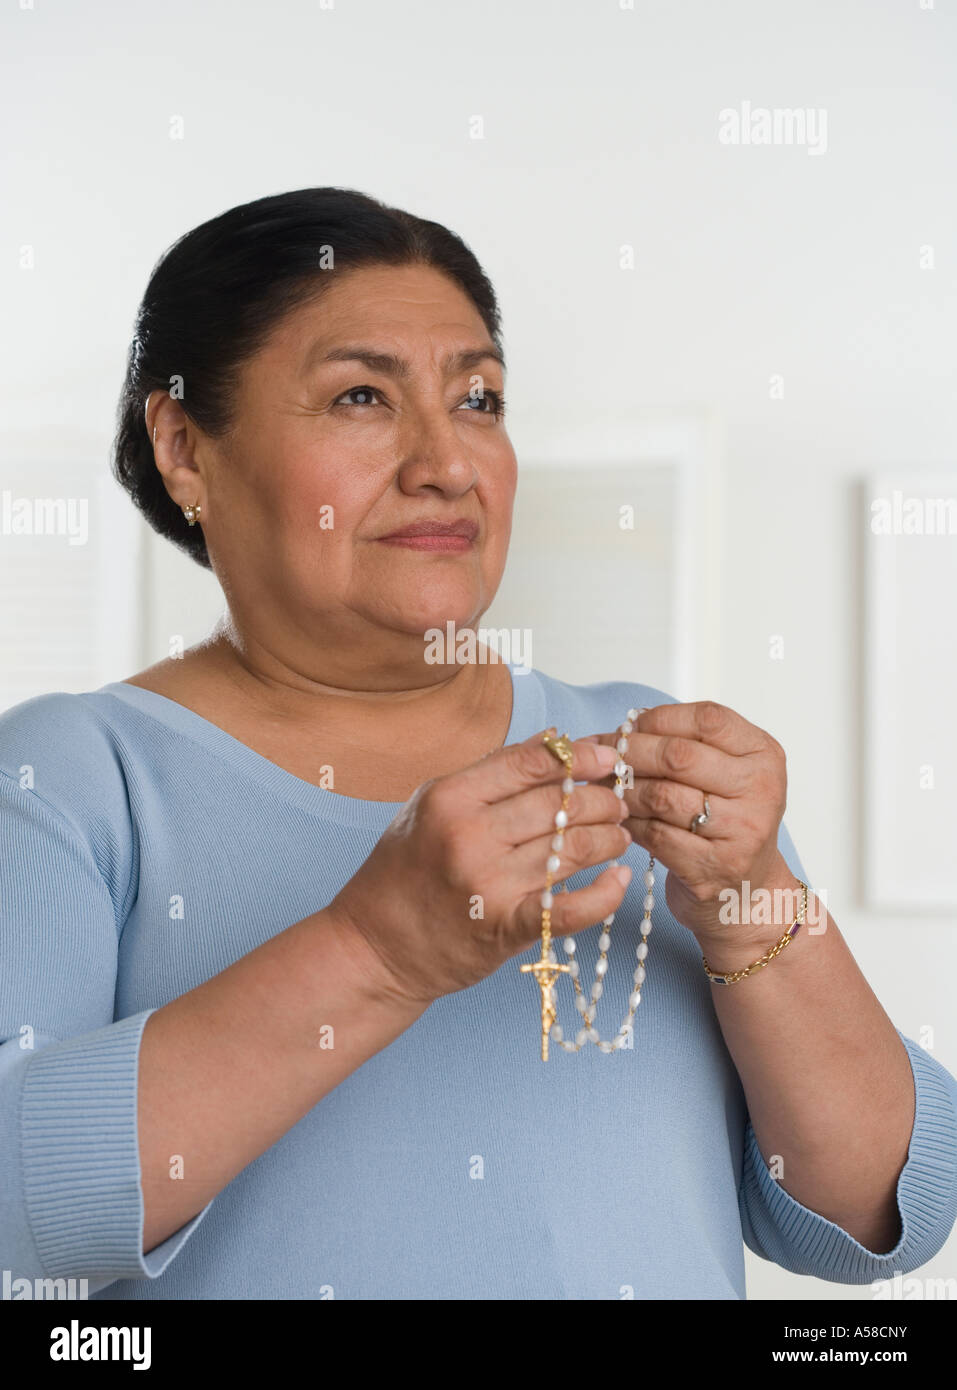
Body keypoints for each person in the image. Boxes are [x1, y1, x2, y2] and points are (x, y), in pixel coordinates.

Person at [1, 188, 954, 1301]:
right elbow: (21, 1210)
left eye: (480, 399)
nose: (446, 461)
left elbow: (875, 1212)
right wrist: (378, 950)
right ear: (184, 449)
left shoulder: (648, 755)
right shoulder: (70, 778)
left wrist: (757, 901)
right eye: (361, 395)